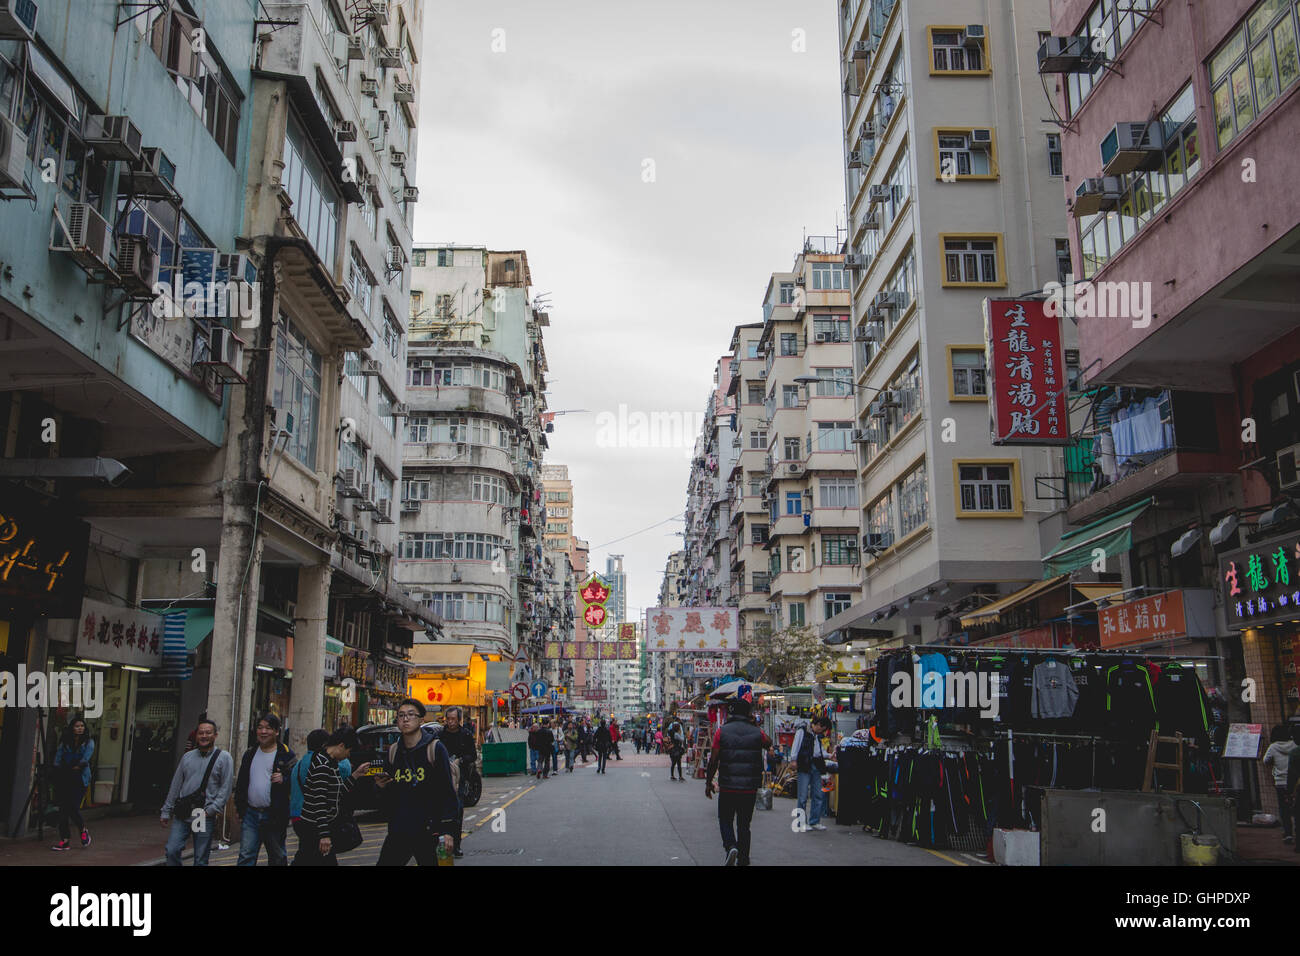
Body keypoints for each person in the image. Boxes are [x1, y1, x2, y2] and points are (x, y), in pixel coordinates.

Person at [375, 699, 460, 865]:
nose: (405, 719)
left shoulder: (434, 748)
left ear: (421, 720)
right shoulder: (394, 751)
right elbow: (389, 795)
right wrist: (380, 788)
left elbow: (447, 792)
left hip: (429, 831)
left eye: (410, 715)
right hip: (399, 830)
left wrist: (448, 831)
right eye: (401, 715)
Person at [705, 685, 771, 866]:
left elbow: (714, 760)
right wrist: (755, 725)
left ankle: (730, 846)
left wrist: (708, 782)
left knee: (725, 819)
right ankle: (744, 859)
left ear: (730, 713)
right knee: (744, 825)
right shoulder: (758, 732)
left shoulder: (722, 731)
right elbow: (768, 743)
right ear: (749, 712)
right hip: (749, 788)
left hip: (727, 786)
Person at [161, 718, 235, 866]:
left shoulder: (224, 758)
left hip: (203, 815)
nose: (204, 736)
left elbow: (225, 788)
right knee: (172, 850)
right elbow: (176, 785)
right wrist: (166, 810)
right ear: (196, 735)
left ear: (215, 735)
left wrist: (212, 810)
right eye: (201, 733)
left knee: (200, 857)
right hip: (183, 813)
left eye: (208, 733)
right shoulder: (187, 757)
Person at [294, 726, 371, 866]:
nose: (348, 755)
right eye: (349, 751)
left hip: (318, 826)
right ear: (341, 746)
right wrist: (324, 835)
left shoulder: (331, 762)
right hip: (314, 828)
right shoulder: (323, 764)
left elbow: (336, 793)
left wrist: (355, 775)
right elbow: (319, 802)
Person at [233, 713, 296, 866]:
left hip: (274, 815)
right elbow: (241, 783)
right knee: (246, 856)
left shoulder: (286, 755)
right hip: (251, 814)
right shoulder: (250, 754)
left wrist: (284, 779)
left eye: (268, 728)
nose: (263, 732)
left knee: (277, 856)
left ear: (276, 731)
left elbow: (296, 782)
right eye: (260, 728)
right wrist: (241, 809)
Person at [432, 705, 477, 858]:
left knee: (456, 812)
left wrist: (460, 761)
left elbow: (473, 756)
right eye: (448, 719)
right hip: (441, 778)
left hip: (460, 779)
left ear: (459, 720)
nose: (450, 722)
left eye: (453, 719)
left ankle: (456, 845)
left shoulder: (466, 735)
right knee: (438, 811)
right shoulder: (439, 735)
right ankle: (437, 843)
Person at [51, 715, 94, 851]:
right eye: (77, 726)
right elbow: (57, 759)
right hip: (65, 777)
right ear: (72, 728)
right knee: (63, 809)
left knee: (72, 807)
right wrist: (58, 769)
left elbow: (85, 759)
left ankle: (82, 830)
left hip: (80, 778)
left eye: (82, 726)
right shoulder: (65, 742)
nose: (80, 728)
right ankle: (65, 840)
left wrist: (75, 767)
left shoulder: (89, 742)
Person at [790, 715, 832, 831]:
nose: (822, 732)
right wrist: (793, 759)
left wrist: (829, 756)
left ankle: (814, 821)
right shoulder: (802, 730)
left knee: (818, 795)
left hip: (816, 765)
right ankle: (801, 822)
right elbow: (796, 745)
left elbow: (819, 751)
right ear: (818, 725)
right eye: (822, 729)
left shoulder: (818, 736)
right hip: (804, 764)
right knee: (802, 796)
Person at [1263, 724, 1298, 844]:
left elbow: (1265, 760)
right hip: (1294, 782)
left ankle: (1288, 834)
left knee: (1284, 809)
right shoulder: (1294, 744)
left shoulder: (1273, 747)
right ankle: (1297, 832)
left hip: (1280, 782)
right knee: (1296, 808)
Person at [665, 715, 686, 781]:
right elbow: (682, 739)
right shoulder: (676, 734)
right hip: (677, 749)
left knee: (673, 763)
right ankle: (680, 776)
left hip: (671, 749)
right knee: (678, 763)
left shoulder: (670, 733)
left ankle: (672, 775)